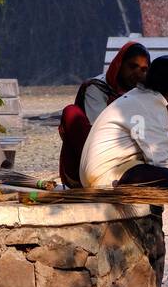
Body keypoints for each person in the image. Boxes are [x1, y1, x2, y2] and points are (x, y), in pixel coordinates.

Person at [79, 54, 168, 192]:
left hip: (93, 175)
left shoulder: (139, 97)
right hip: (107, 175)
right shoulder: (150, 105)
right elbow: (160, 160)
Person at [58, 41, 150, 187]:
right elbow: (101, 132)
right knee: (71, 113)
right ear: (120, 65)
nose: (138, 74)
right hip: (93, 162)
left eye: (144, 70)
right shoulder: (97, 88)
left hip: (129, 162)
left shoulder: (144, 93)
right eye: (132, 67)